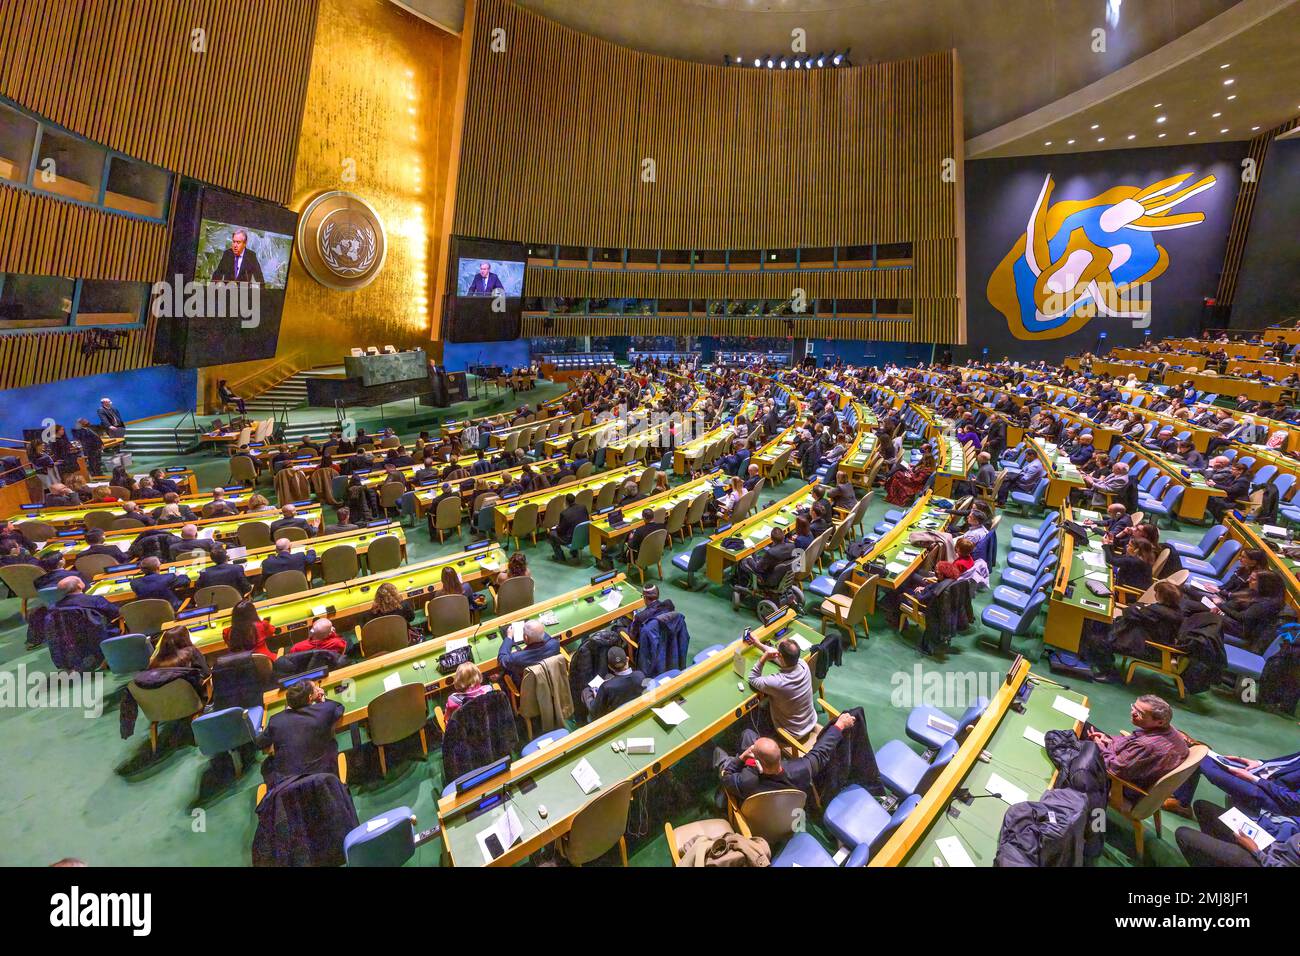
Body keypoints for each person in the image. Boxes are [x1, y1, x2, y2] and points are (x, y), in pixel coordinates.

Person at [714, 712, 857, 803]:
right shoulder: (800, 769)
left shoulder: (747, 781)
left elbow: (726, 774)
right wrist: (839, 726)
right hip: (784, 807)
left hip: (752, 802)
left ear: (755, 763)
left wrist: (741, 758)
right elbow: (821, 752)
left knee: (718, 753)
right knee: (748, 734)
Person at [1085, 694, 1191, 792]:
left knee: (1072, 738)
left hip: (1121, 784)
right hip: (1129, 763)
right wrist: (1109, 741)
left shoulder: (1146, 745)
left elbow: (1114, 769)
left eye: (1139, 713)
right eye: (1133, 707)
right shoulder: (1169, 730)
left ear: (1159, 722)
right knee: (1084, 726)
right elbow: (1131, 746)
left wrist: (1100, 745)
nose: (1133, 713)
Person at [255, 678, 344, 786]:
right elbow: (339, 707)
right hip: (323, 779)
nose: (318, 689)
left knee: (267, 764)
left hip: (288, 787)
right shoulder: (324, 710)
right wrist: (322, 701)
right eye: (315, 689)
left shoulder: (276, 720)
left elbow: (260, 743)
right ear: (310, 697)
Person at [745, 634, 818, 746]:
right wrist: (758, 644)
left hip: (792, 734)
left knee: (754, 714)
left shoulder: (778, 682)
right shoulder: (803, 665)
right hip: (809, 721)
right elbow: (779, 657)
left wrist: (763, 658)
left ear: (781, 657)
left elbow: (753, 678)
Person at [1211, 569, 1286, 653]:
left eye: (1253, 579)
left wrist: (1221, 607)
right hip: (1236, 624)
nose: (1248, 580)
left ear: (1265, 584)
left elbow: (1242, 618)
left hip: (1242, 632)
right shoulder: (1257, 593)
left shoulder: (1266, 603)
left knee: (1206, 615)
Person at [583, 646, 646, 720]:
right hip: (638, 711)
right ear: (627, 660)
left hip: (618, 718)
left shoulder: (606, 687)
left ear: (610, 667)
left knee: (586, 691)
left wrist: (596, 695)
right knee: (608, 676)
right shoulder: (640, 675)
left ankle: (583, 720)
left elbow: (595, 711)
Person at [497, 618, 560, 685]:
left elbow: (502, 659)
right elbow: (547, 638)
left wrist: (509, 637)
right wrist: (537, 631)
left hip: (529, 687)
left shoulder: (517, 658)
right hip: (552, 679)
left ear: (526, 637)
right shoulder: (555, 644)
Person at [53, 576, 122, 627]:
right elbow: (116, 613)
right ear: (79, 585)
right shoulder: (96, 600)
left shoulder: (54, 607)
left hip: (70, 641)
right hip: (100, 635)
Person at [548, 492, 590, 562]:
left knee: (551, 534)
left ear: (566, 502)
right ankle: (574, 552)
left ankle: (560, 556)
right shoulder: (583, 507)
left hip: (570, 539)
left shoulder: (564, 514)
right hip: (584, 535)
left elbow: (561, 531)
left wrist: (556, 528)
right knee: (573, 529)